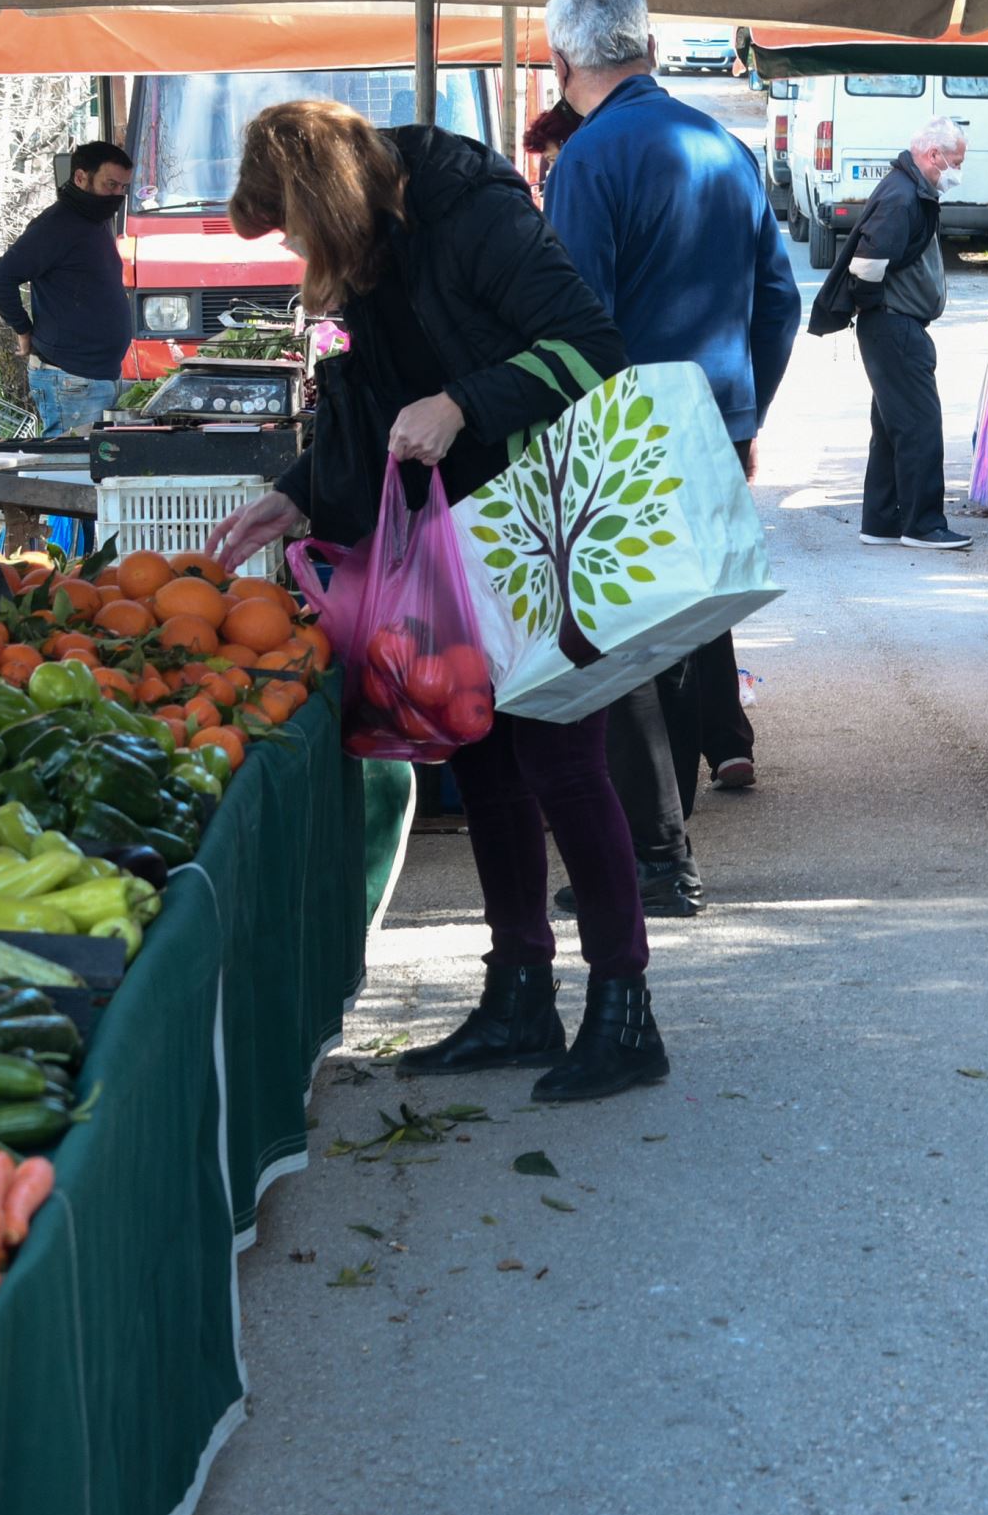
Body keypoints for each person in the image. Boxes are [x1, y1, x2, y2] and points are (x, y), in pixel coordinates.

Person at [202, 100, 669, 1102]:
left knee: (561, 757)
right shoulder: (370, 247)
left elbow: (594, 348)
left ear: (327, 197)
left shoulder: (474, 210)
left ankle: (626, 1008)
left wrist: (464, 403)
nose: (292, 248)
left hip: (544, 524)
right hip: (455, 541)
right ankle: (520, 993)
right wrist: (292, 493)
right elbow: (366, 402)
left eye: (291, 226)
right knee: (486, 754)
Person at [536, 0, 800, 890]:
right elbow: (779, 299)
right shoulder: (725, 146)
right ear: (648, 50)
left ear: (560, 61)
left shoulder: (587, 164)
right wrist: (745, 409)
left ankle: (657, 858)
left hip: (627, 432)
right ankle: (664, 841)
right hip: (714, 423)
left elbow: (577, 327)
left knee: (625, 646)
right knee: (686, 633)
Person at [841, 116, 966, 550]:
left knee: (893, 424)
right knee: (919, 425)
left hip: (890, 325)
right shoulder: (902, 196)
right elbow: (866, 266)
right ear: (933, 155)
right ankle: (923, 524)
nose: (957, 172)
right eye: (956, 162)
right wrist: (879, 309)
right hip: (894, 326)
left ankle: (880, 521)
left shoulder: (909, 189)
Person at [0, 139, 133, 439]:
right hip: (70, 381)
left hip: (98, 377)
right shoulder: (55, 226)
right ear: (80, 178)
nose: (117, 195)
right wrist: (23, 330)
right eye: (110, 185)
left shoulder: (98, 218)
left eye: (123, 188)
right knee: (69, 474)